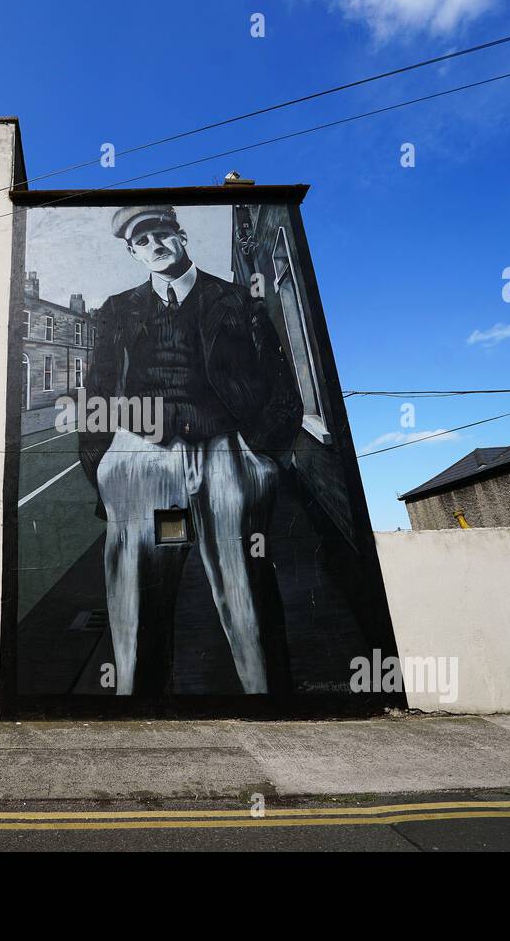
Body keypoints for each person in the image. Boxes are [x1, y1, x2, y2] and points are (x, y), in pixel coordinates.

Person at [78, 205, 303, 697]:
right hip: (142, 459)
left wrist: (261, 457)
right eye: (142, 241)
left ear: (181, 236)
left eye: (162, 233)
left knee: (246, 588)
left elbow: (281, 385)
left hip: (225, 452)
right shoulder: (118, 310)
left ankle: (273, 705)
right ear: (133, 252)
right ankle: (139, 711)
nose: (154, 245)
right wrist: (105, 466)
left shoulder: (236, 300)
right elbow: (96, 391)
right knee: (137, 595)